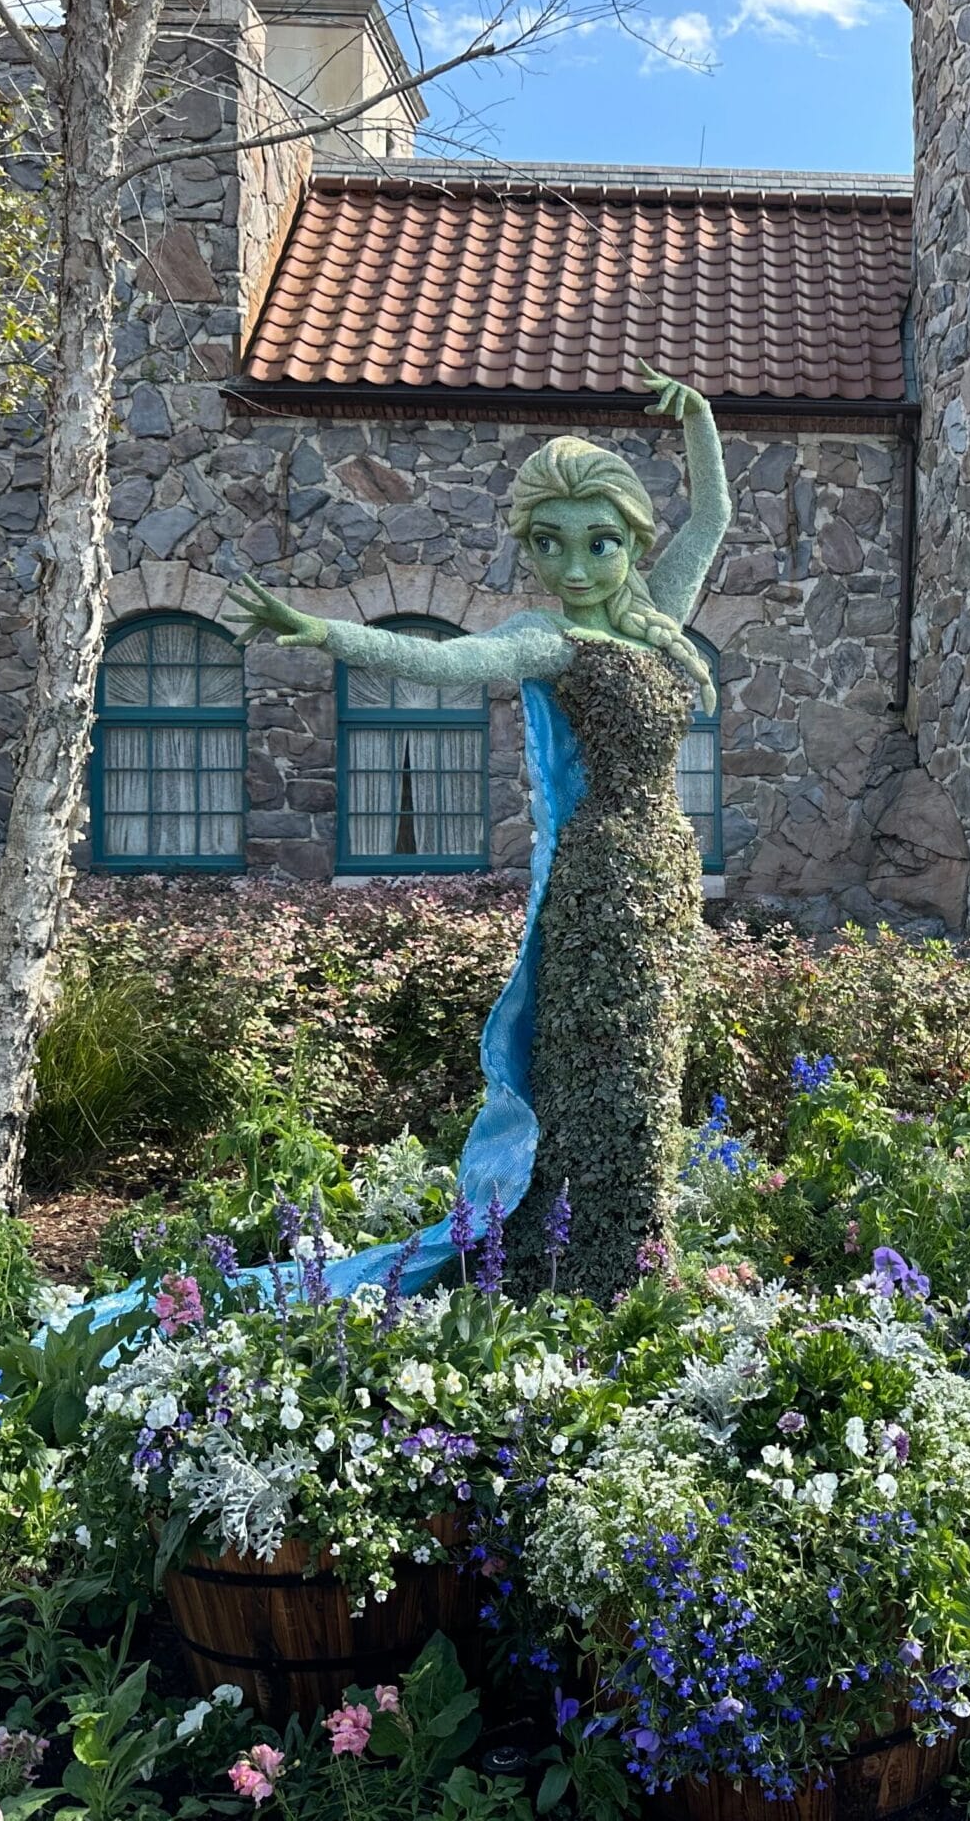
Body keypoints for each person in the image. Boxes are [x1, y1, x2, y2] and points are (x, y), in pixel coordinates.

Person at [227, 360, 728, 1300]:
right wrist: (332, 633)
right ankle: (588, 1263)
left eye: (599, 546)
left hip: (666, 878)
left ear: (630, 542)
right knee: (602, 1067)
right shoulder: (550, 638)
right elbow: (451, 659)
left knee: (652, 1065)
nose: (575, 568)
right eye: (551, 546)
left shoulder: (657, 616)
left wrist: (699, 420)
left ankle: (638, 1248)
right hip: (604, 881)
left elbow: (709, 522)